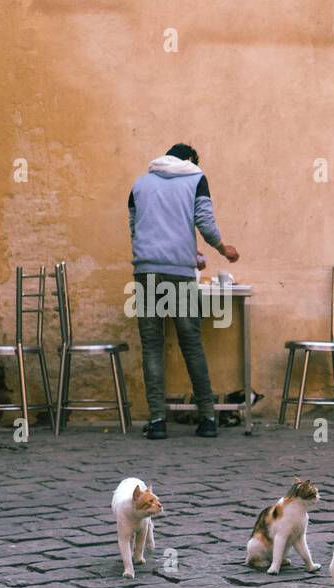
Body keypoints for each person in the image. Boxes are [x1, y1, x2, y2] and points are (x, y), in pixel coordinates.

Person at [128, 143, 239, 439]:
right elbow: (204, 222)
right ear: (190, 161)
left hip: (147, 271)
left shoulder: (140, 184)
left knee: (152, 345)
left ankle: (157, 420)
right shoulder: (196, 178)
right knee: (191, 342)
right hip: (179, 274)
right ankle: (207, 419)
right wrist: (221, 248)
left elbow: (136, 229)